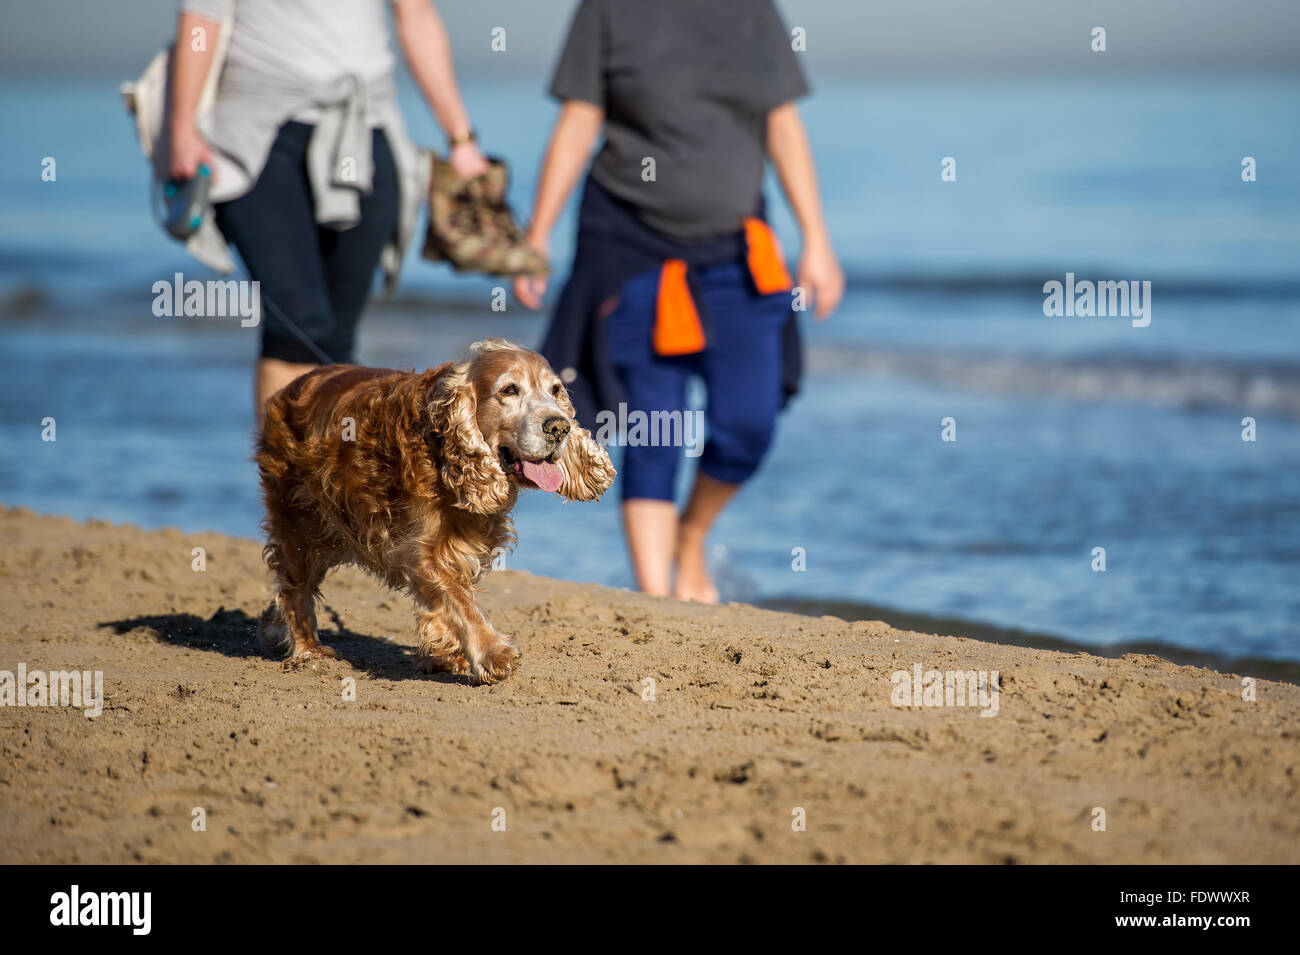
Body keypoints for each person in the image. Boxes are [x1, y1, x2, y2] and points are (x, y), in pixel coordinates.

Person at [515, 0, 844, 602]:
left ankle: (690, 537)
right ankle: (657, 597)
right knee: (654, 428)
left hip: (738, 247)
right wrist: (537, 234)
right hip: (630, 246)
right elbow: (579, 121)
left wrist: (816, 241)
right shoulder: (608, 11)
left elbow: (782, 123)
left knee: (749, 422)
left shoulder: (754, 12)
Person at [166, 0, 489, 420]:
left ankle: (335, 479)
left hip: (366, 126)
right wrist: (181, 128)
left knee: (336, 338)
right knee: (297, 326)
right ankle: (284, 479)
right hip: (259, 131)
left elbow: (417, 16)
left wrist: (460, 139)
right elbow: (201, 18)